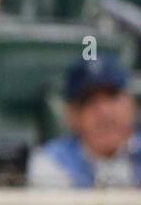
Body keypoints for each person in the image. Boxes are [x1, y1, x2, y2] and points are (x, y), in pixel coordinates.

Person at [27, 54, 141, 188]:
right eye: (89, 101)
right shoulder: (51, 162)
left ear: (132, 104)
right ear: (71, 115)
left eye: (112, 96)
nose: (104, 111)